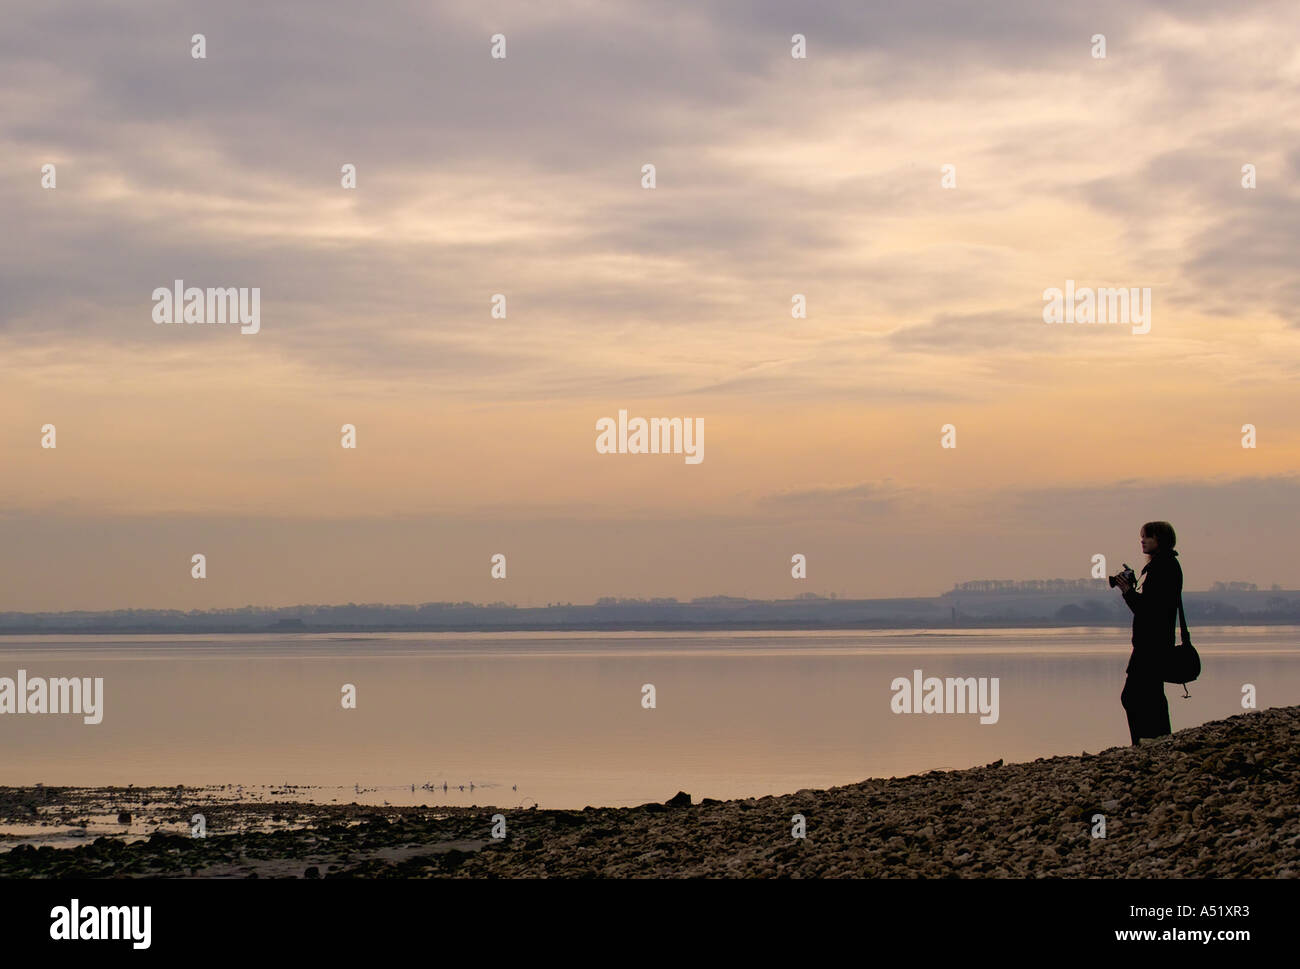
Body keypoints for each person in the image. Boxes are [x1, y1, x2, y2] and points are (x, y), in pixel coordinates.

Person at [1114, 521, 1182, 746]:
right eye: (1142, 537)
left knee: (1133, 696)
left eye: (1148, 537)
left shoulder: (1162, 568)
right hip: (1156, 642)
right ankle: (1157, 739)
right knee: (1150, 695)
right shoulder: (1165, 566)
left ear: (1160, 540)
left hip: (1151, 644)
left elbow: (1148, 610)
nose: (1143, 541)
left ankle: (1147, 741)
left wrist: (1127, 592)